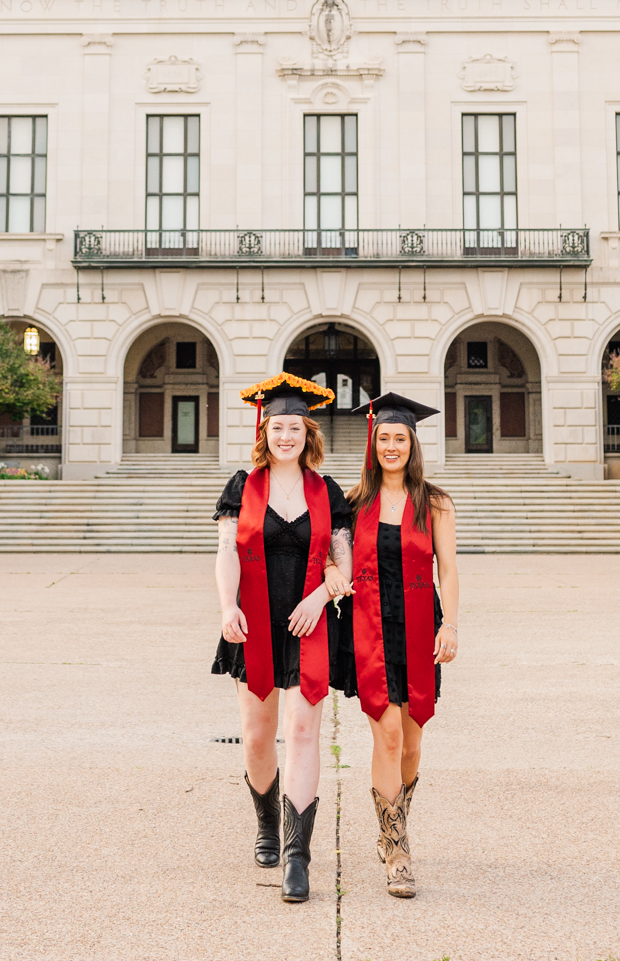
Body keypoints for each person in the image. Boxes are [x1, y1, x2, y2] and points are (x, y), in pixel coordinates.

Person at [211, 373, 353, 902]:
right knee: (256, 735)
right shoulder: (242, 487)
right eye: (277, 427)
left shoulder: (327, 490)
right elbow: (226, 550)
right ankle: (267, 824)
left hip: (309, 624)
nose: (286, 436)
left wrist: (320, 596)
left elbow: (343, 564)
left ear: (307, 431)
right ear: (264, 431)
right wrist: (228, 606)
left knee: (300, 732)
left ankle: (298, 854)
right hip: (253, 620)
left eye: (294, 427)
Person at [339, 393, 458, 900]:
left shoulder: (434, 502)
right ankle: (397, 849)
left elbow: (448, 569)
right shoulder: (352, 502)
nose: (391, 446)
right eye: (383, 438)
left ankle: (395, 818)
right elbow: (330, 559)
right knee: (386, 737)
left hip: (417, 627)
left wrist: (450, 624)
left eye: (400, 438)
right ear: (373, 442)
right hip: (368, 631)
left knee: (411, 743)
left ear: (413, 443)